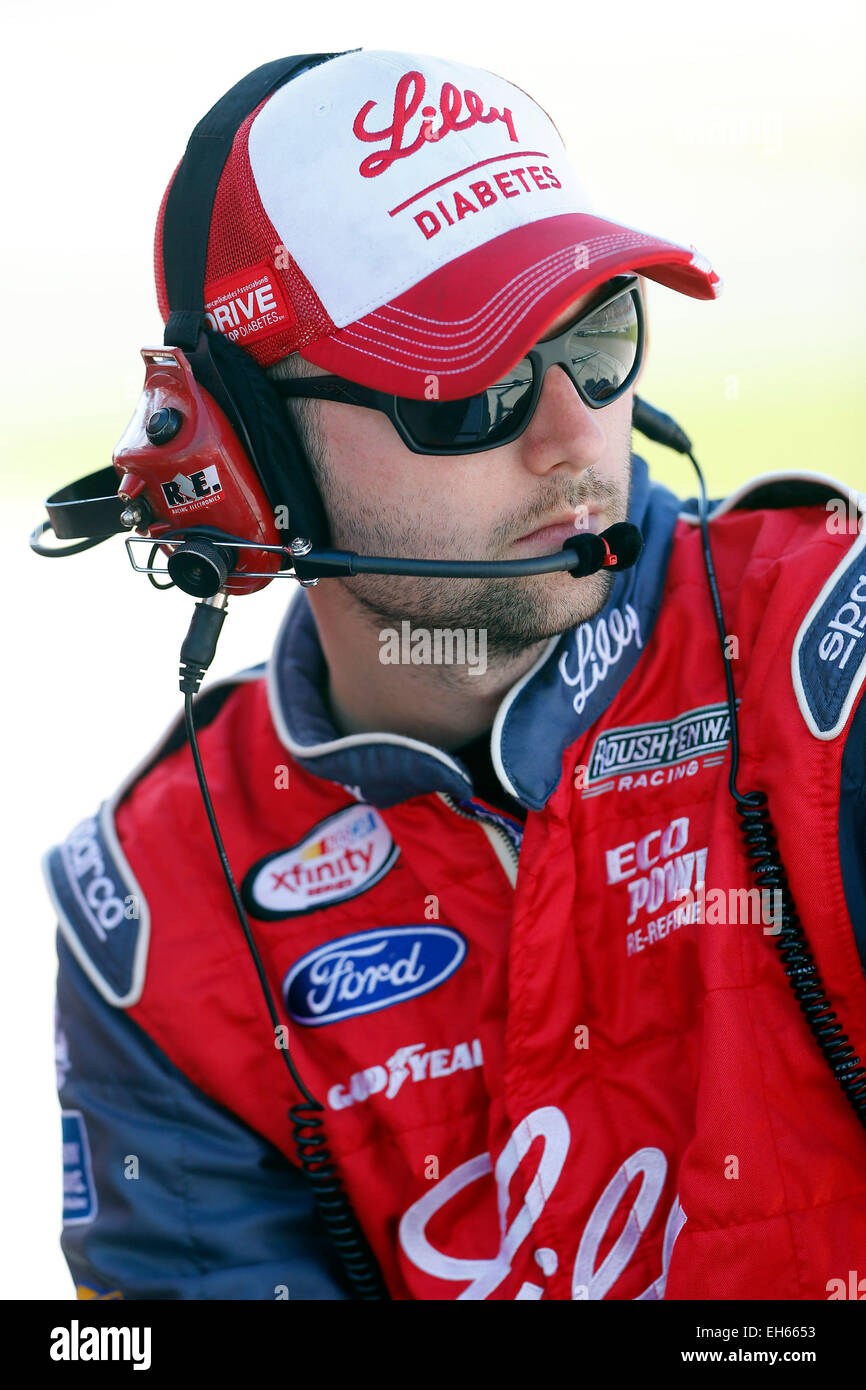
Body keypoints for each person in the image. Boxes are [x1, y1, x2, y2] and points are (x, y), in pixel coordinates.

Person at [46, 47, 866, 1302]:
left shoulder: (830, 665)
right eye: (465, 378)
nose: (571, 433)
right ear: (246, 452)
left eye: (593, 333)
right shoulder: (160, 915)